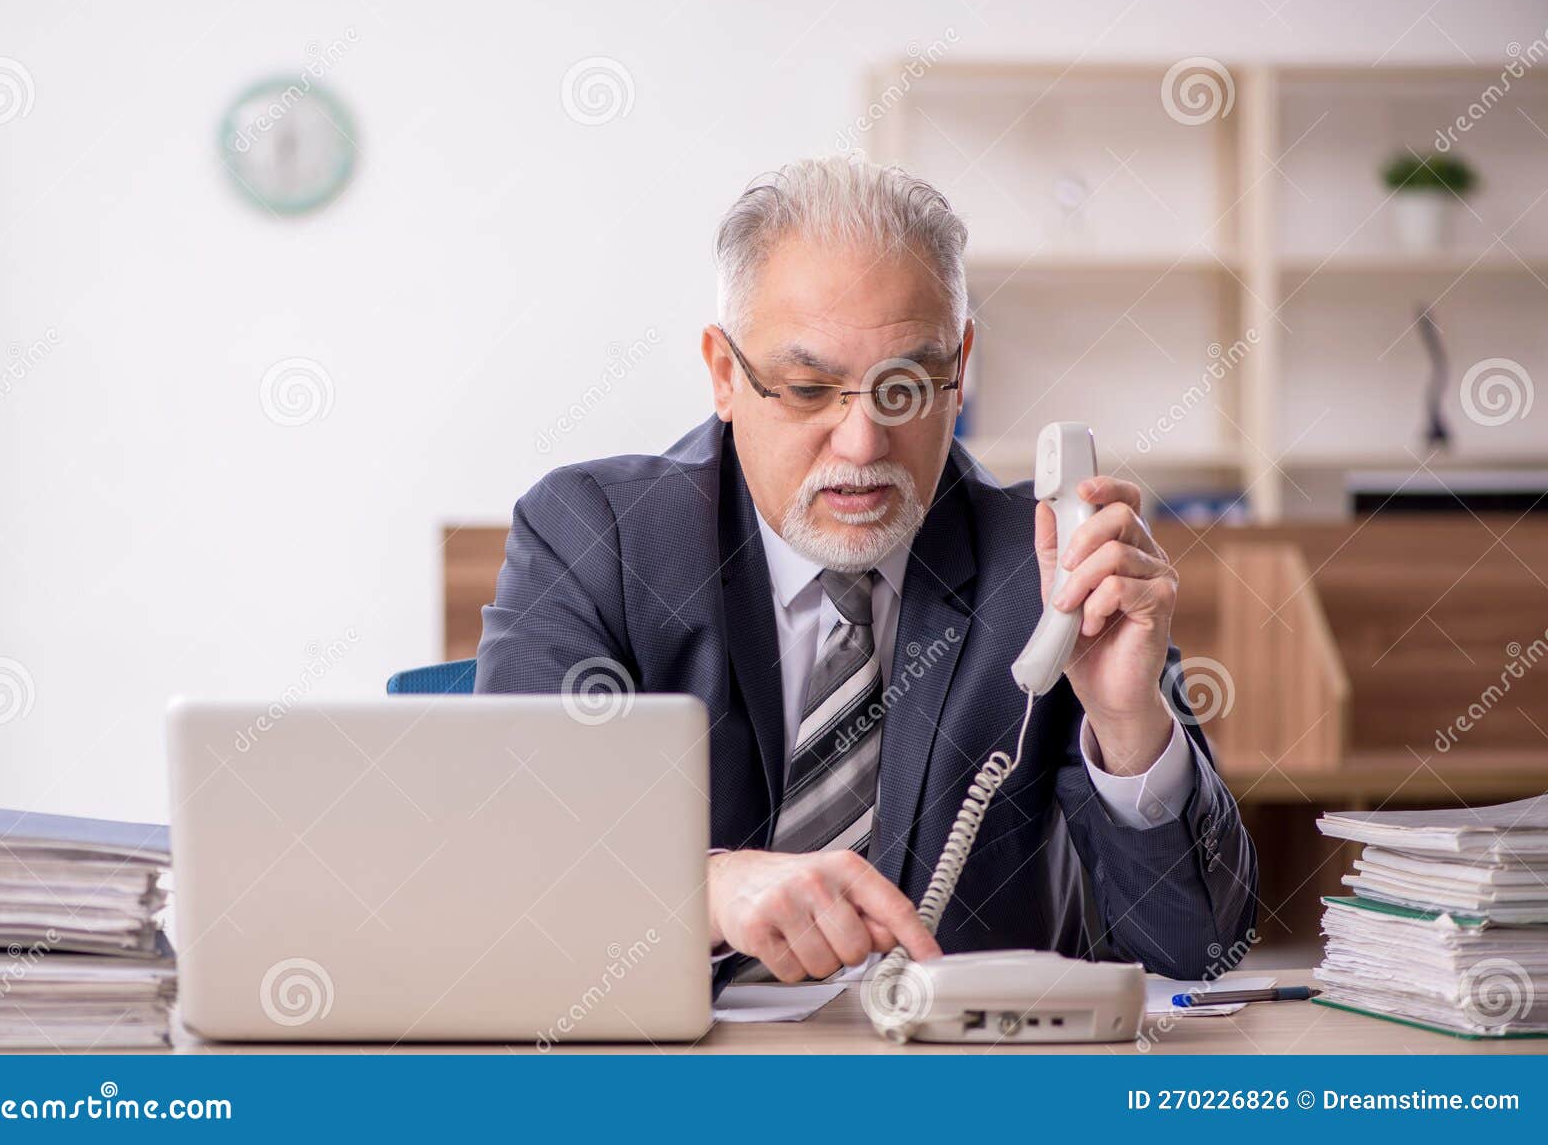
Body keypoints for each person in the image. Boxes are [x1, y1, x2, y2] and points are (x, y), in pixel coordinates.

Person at [476, 156, 1257, 992]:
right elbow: (505, 864)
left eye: (907, 386)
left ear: (961, 371)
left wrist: (1130, 721)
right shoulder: (600, 538)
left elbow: (1200, 952)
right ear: (723, 374)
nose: (861, 445)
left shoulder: (1041, 569)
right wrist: (702, 887)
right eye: (810, 389)